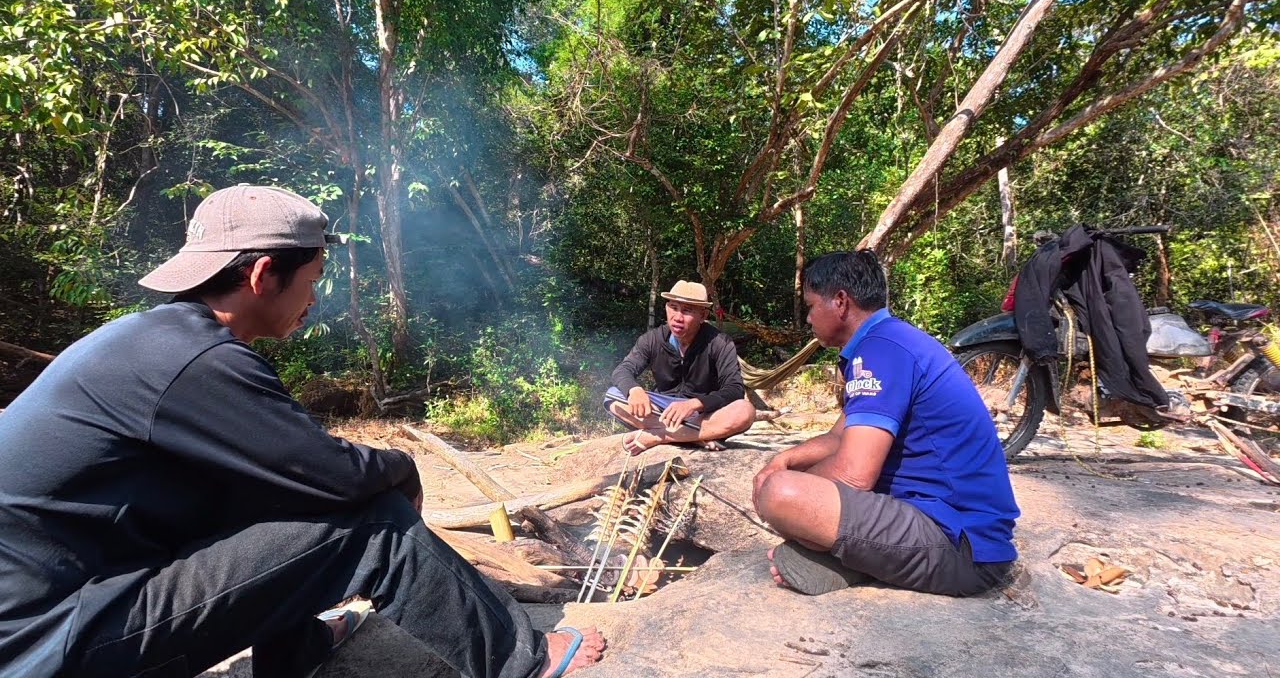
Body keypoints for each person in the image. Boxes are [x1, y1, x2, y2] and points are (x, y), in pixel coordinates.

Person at [0, 185, 605, 678]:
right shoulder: (196, 361)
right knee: (375, 526)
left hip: (45, 619)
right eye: (313, 279)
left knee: (274, 499)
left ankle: (299, 652)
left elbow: (286, 479)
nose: (313, 298)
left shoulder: (151, 339)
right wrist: (402, 466)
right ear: (264, 274)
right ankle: (522, 662)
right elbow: (337, 475)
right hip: (53, 640)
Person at [752, 250, 1019, 596]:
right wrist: (785, 460)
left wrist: (780, 489)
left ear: (841, 302)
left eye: (811, 305)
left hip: (962, 547)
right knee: (790, 485)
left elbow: (853, 475)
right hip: (937, 521)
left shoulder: (880, 351)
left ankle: (859, 562)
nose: (808, 318)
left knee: (782, 494)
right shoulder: (889, 341)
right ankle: (864, 561)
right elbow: (839, 437)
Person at [604, 280, 756, 454]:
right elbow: (623, 370)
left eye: (687, 310)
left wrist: (695, 404)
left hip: (703, 413)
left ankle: (658, 436)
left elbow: (734, 388)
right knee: (612, 397)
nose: (677, 317)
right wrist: (634, 390)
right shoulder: (652, 339)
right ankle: (695, 436)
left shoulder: (719, 343)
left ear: (703, 315)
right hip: (663, 410)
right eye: (673, 307)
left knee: (746, 411)